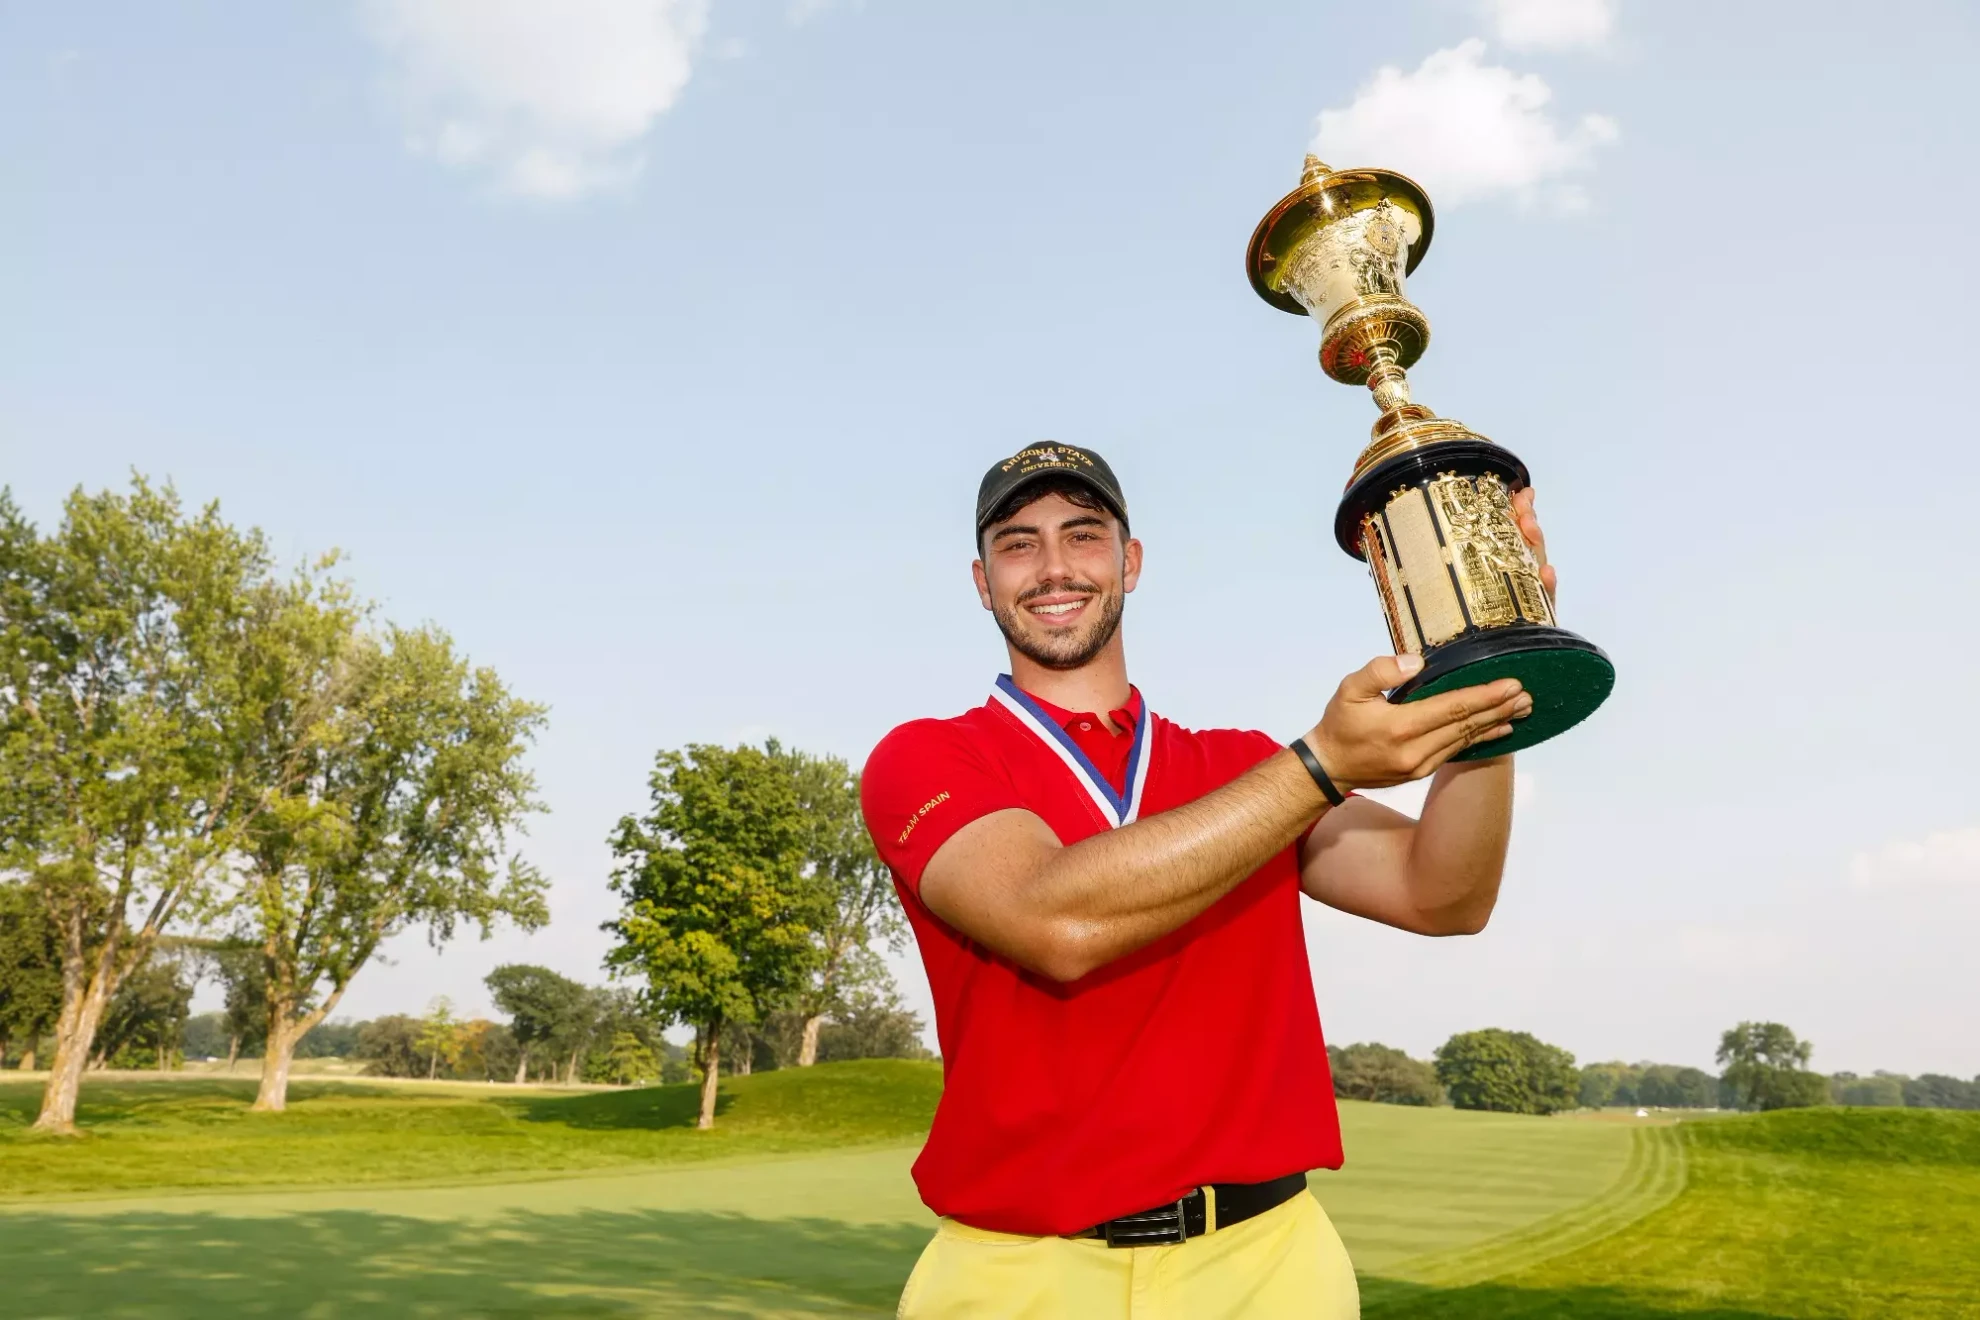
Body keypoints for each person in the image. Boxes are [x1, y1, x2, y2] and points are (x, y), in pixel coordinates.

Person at [859, 443, 1555, 1318]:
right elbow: (1051, 921)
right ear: (981, 578)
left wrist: (1490, 667)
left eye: (1083, 534)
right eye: (1018, 543)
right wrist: (1323, 766)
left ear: (1130, 561)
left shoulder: (1238, 768)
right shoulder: (925, 757)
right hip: (1016, 1276)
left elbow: (1444, 894)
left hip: (1266, 1267)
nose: (1054, 567)